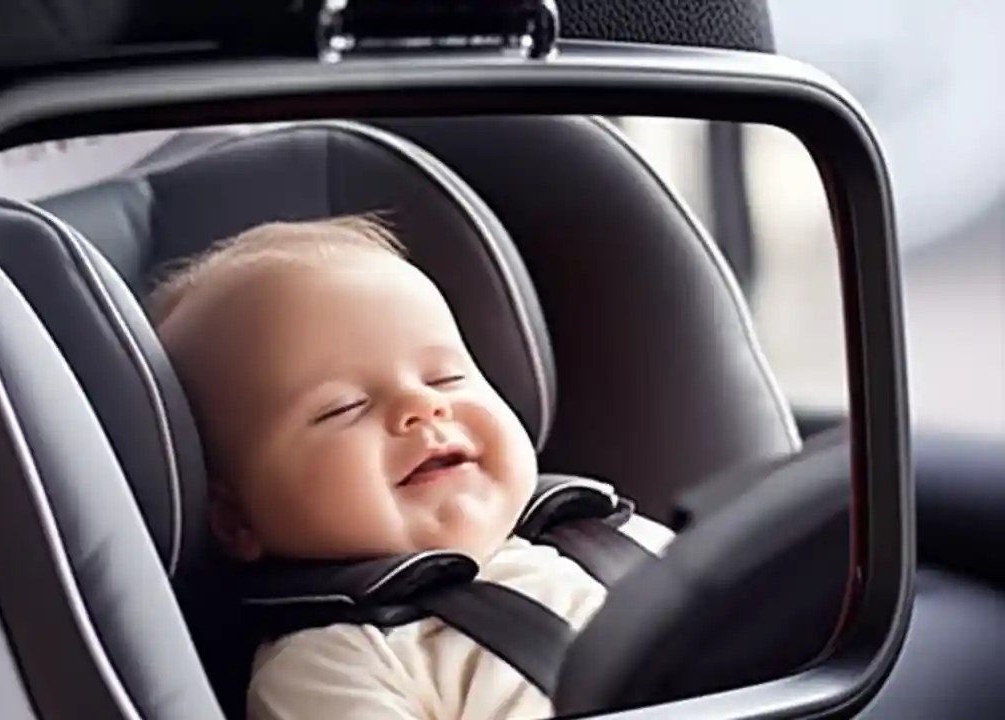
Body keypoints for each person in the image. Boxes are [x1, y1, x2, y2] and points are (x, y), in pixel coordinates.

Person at [147, 215, 673, 720]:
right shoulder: (331, 664)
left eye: (445, 378)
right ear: (236, 519)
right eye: (343, 407)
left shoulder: (619, 535)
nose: (422, 407)